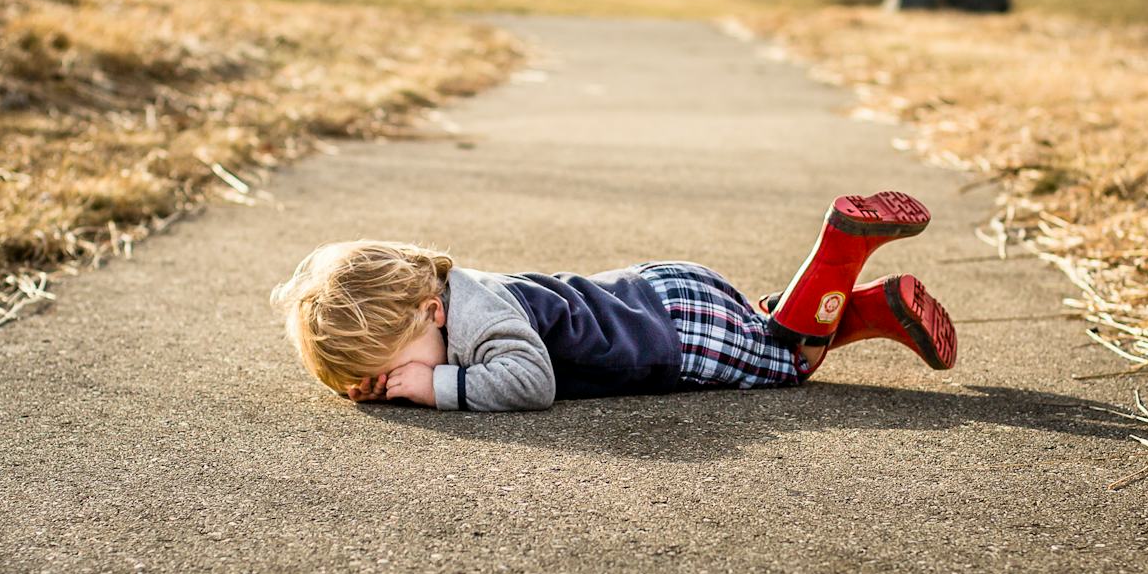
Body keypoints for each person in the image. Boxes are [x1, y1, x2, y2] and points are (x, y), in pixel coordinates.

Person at [270, 191, 957, 412]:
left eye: (395, 366)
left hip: (677, 331)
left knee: (792, 364)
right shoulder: (455, 296)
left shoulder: (478, 322)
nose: (399, 382)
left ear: (433, 312)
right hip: (662, 292)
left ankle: (840, 253)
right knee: (770, 332)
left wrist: (436, 387)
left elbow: (530, 383)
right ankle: (873, 307)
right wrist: (380, 380)